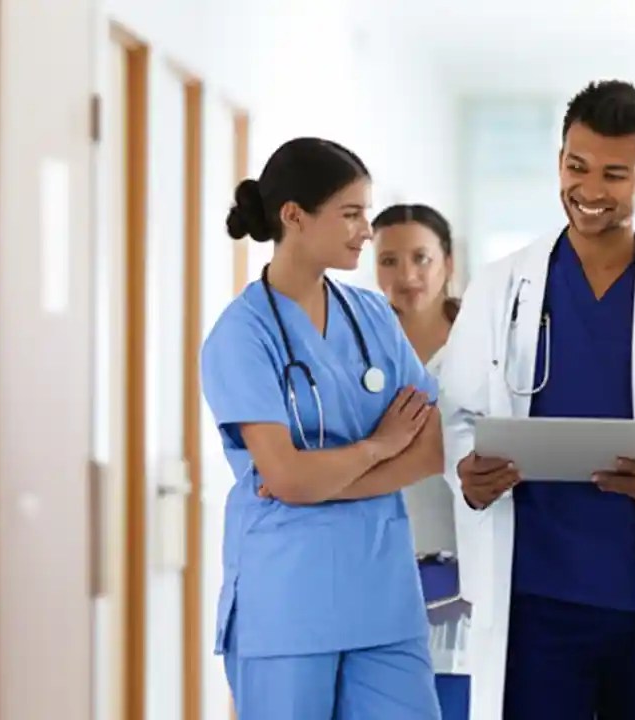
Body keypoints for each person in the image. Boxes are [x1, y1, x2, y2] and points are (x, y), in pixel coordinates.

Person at [437, 80, 635, 720]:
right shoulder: (501, 287)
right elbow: (460, 417)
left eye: (614, 174)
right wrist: (467, 474)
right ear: (559, 161)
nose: (589, 190)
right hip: (531, 593)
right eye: (575, 166)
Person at [201, 137, 444, 719]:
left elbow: (433, 446)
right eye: (351, 214)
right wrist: (380, 448)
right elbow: (286, 475)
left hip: (383, 596)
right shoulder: (243, 334)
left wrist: (320, 478)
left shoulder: (372, 316)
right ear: (294, 217)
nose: (366, 231)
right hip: (287, 601)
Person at [373, 202, 472, 719]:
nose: (406, 275)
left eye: (421, 258)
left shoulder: (484, 342)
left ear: (448, 263)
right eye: (389, 260)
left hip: (469, 557)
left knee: (459, 697)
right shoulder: (358, 343)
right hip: (385, 561)